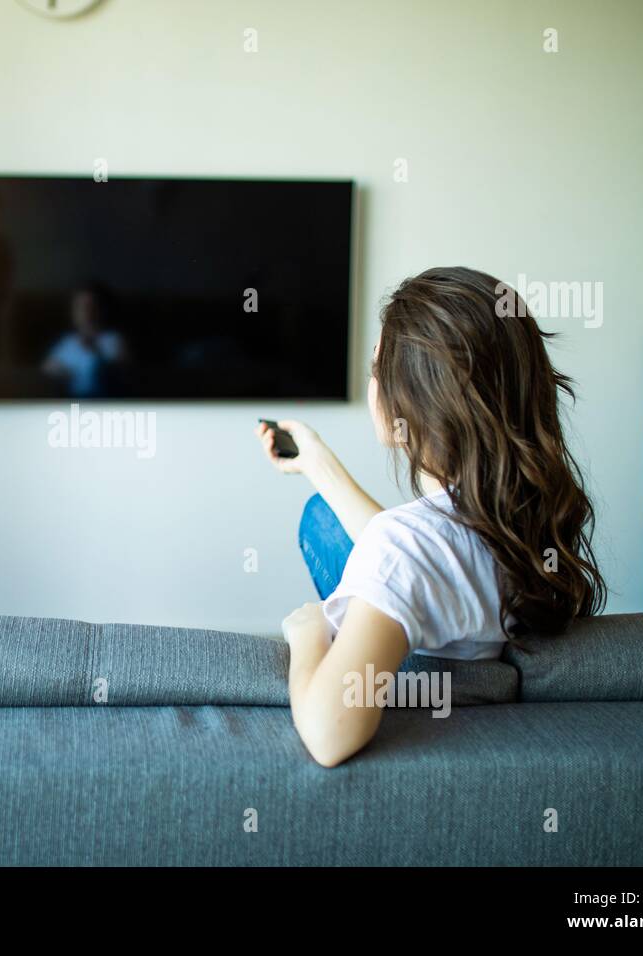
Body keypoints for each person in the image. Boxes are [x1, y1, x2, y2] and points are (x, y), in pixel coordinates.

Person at [256, 266, 605, 767]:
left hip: (401, 651)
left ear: (415, 402)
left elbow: (329, 736)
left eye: (379, 368)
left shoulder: (402, 547)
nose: (373, 383)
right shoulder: (519, 519)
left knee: (322, 526)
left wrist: (308, 630)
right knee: (322, 514)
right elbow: (413, 555)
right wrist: (316, 461)